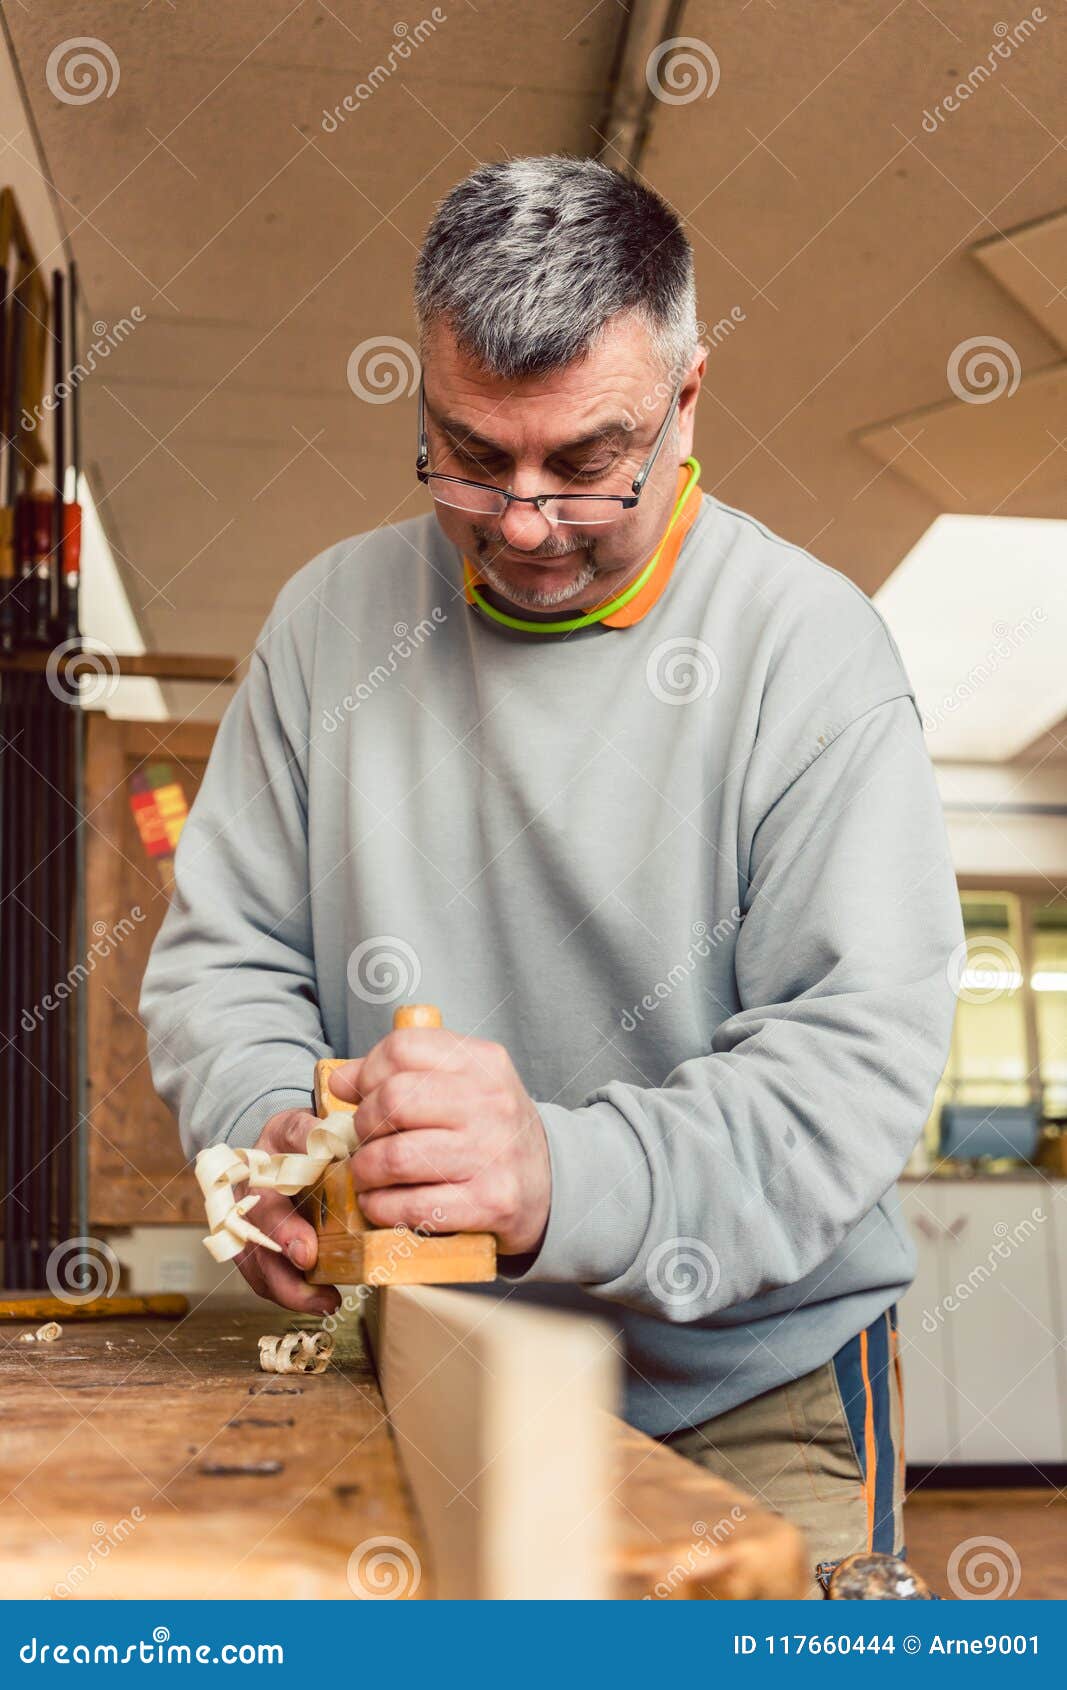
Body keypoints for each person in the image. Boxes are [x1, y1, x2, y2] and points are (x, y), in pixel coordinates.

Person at [141, 156, 962, 1594]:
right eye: (471, 455)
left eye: (586, 463)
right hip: (423, 1370)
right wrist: (268, 1137)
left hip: (744, 1392)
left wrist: (555, 1176)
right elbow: (227, 961)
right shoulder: (328, 627)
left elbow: (845, 1079)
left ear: (689, 398)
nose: (523, 523)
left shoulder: (815, 662)